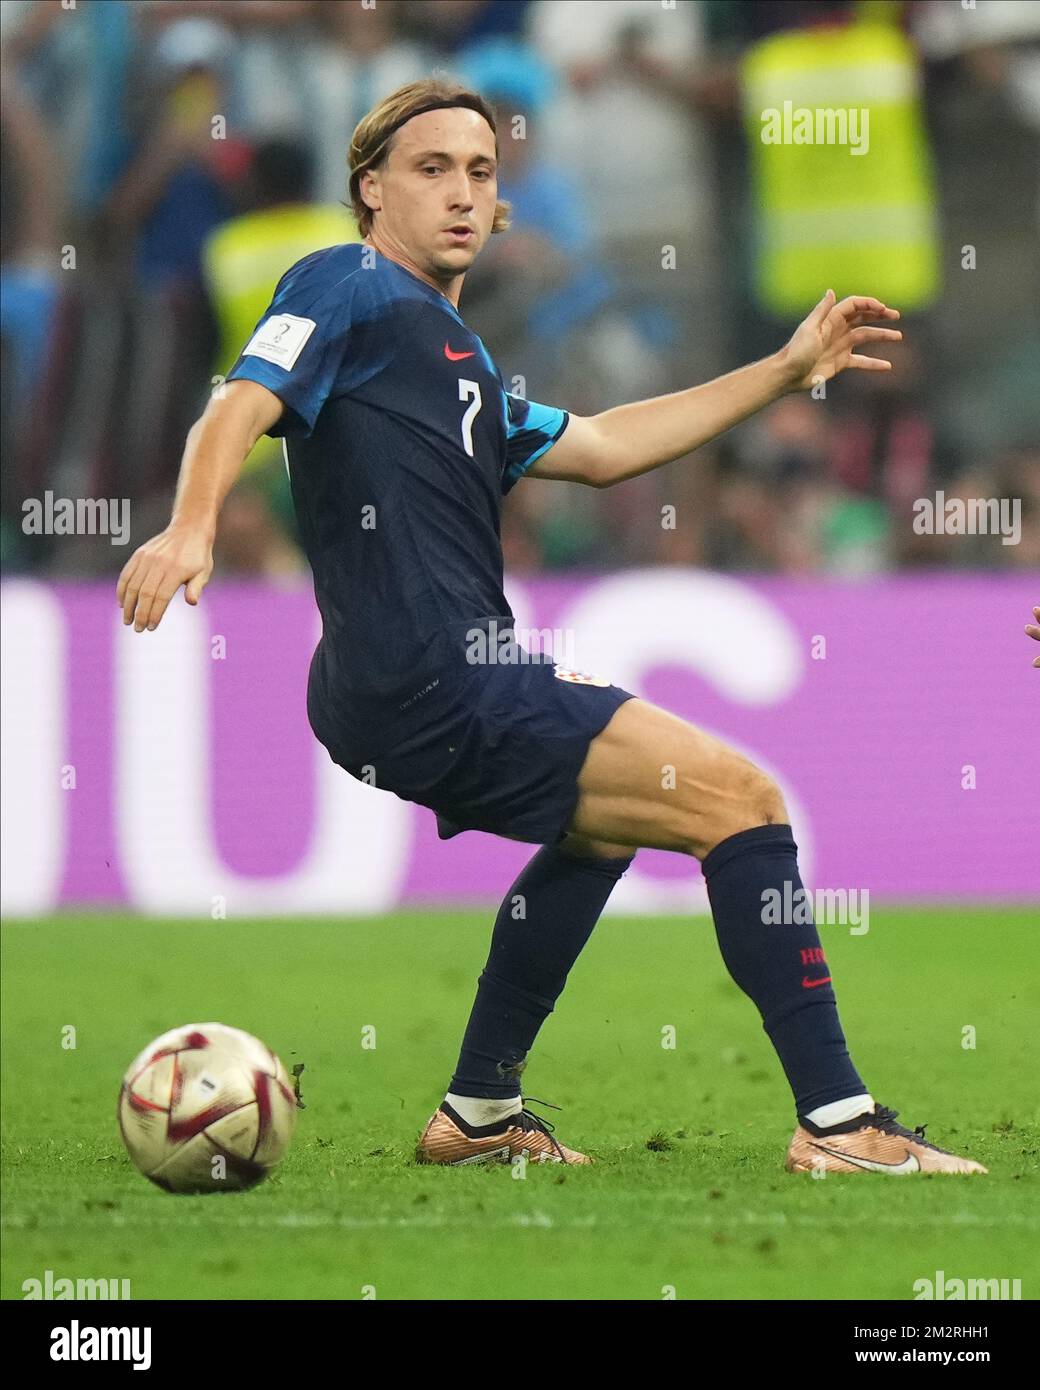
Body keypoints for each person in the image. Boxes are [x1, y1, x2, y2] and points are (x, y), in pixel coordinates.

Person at [117, 79, 985, 1176]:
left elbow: (608, 443)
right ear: (369, 190)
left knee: (603, 824)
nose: (461, 194)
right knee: (741, 803)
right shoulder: (343, 283)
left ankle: (479, 1111)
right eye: (431, 170)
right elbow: (239, 401)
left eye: (480, 173)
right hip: (429, 671)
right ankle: (838, 1125)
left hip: (402, 680)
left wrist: (778, 371)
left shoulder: (456, 358)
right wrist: (189, 528)